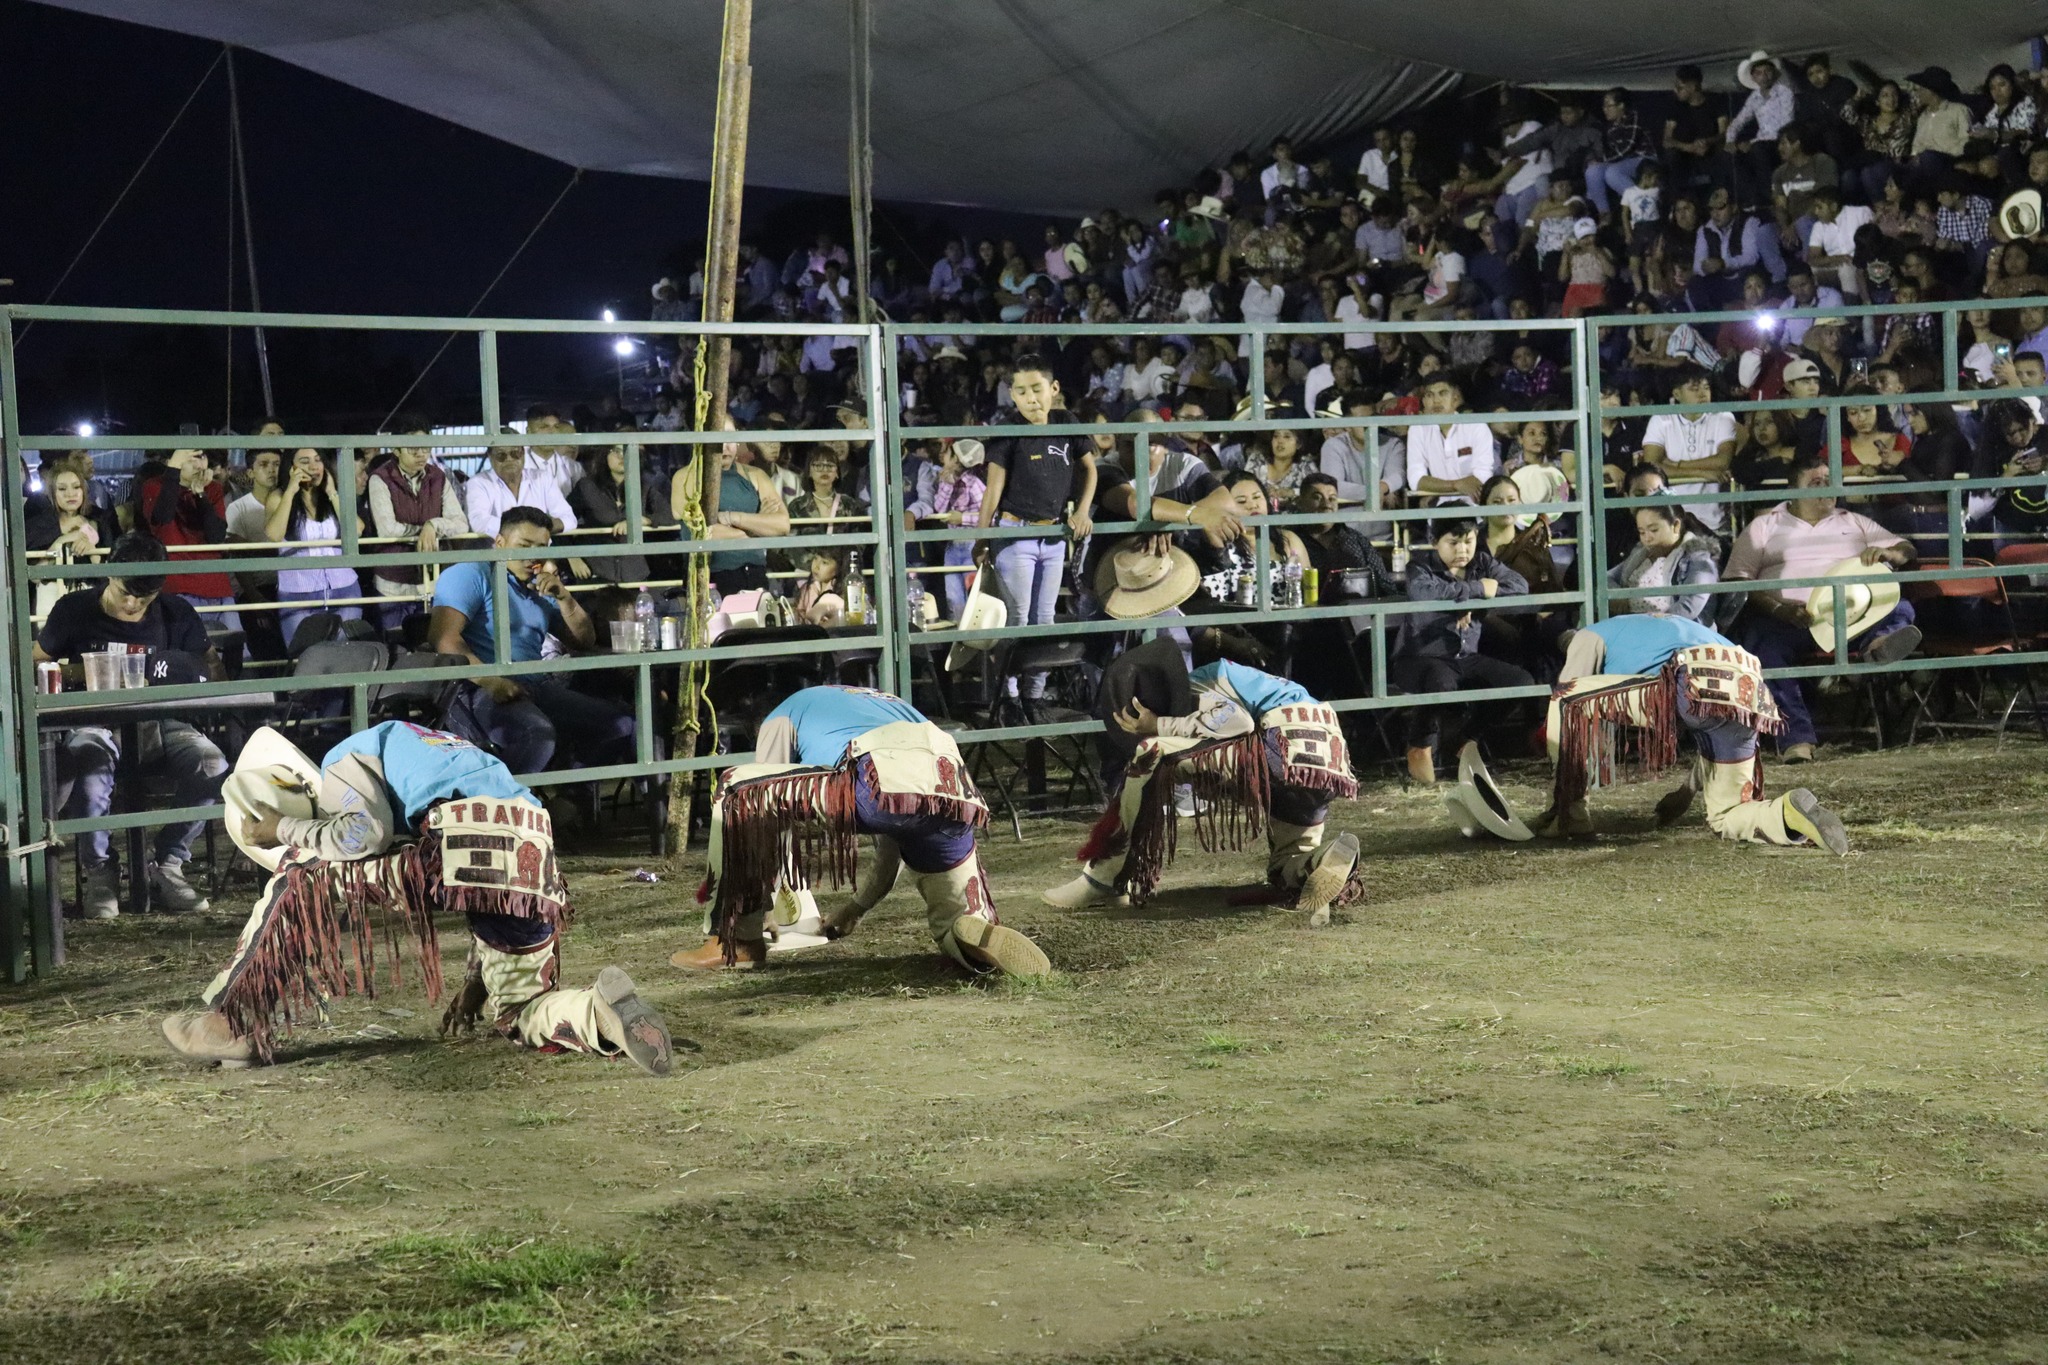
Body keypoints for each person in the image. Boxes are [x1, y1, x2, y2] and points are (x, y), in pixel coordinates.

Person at [157, 721, 674, 1074]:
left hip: (458, 839)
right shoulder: (431, 744)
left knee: (301, 874)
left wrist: (285, 830)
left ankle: (233, 1022)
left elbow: (365, 836)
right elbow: (483, 879)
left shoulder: (344, 758)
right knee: (520, 1010)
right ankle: (596, 1014)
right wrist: (477, 981)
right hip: (533, 848)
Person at [670, 685, 1051, 977]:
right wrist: (855, 909)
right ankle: (974, 943)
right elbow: (893, 836)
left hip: (873, 771)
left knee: (740, 790)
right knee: (957, 916)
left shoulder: (781, 715)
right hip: (952, 790)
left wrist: (766, 905)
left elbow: (769, 816)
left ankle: (735, 942)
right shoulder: (879, 700)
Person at [1042, 635, 1361, 927]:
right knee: (1287, 864)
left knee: (1148, 754)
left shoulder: (1205, 682)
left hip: (1281, 743)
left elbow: (1237, 720)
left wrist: (1159, 725)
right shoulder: (1238, 677)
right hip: (1326, 756)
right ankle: (1323, 859)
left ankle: (1104, 878)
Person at [1534, 614, 1848, 854]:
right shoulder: (1675, 626)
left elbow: (1574, 696)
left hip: (1688, 677)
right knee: (1726, 815)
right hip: (1749, 691)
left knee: (1568, 697)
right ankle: (1787, 813)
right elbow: (1711, 715)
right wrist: (1686, 792)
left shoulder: (1588, 635)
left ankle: (1568, 812)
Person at [33, 535, 228, 918]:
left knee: (211, 765)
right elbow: (38, 662)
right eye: (125, 592)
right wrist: (85, 673)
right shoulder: (74, 609)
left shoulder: (176, 612)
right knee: (89, 773)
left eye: (145, 597)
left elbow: (211, 665)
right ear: (110, 573)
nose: (131, 604)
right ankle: (100, 868)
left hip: (161, 719)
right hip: (94, 720)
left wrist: (193, 679)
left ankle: (168, 862)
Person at [1723, 456, 1922, 761]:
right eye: (1816, 483)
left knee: (1899, 606)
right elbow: (1738, 581)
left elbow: (1906, 548)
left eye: (1830, 481)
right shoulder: (1764, 526)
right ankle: (1796, 740)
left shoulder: (1853, 521)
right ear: (1794, 489)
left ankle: (1880, 644)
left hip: (1853, 615)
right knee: (1762, 646)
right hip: (1792, 618)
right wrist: (1778, 609)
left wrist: (1889, 553)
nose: (1827, 488)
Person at [428, 506, 634, 778]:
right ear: (499, 543)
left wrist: (565, 598)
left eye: (540, 547)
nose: (531, 556)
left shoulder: (538, 586)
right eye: (523, 546)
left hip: (535, 687)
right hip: (477, 688)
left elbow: (584, 640)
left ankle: (567, 796)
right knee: (536, 736)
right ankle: (502, 808)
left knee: (620, 724)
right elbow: (443, 639)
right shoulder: (471, 573)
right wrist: (492, 680)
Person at [973, 355, 1097, 722]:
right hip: (1015, 533)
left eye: (1037, 390)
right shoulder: (1007, 430)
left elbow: (1090, 470)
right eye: (1022, 392)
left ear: (1053, 389)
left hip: (1054, 533)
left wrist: (1082, 510)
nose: (1031, 399)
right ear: (1011, 395)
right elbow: (993, 489)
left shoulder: (1066, 422)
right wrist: (983, 536)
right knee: (1017, 617)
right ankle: (1008, 697)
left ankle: (1035, 696)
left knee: (1044, 617)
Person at [1390, 516, 1533, 784]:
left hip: (1464, 656)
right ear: (1435, 542)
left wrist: (1472, 603)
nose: (1462, 550)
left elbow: (1519, 586)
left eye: (1468, 542)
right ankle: (1420, 745)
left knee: (1521, 682)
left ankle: (1466, 738)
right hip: (1420, 656)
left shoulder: (1482, 562)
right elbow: (1423, 594)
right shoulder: (1419, 566)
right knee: (1441, 682)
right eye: (1453, 543)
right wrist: (1477, 590)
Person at [368, 426, 470, 623]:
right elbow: (387, 529)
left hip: (433, 582)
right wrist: (422, 531)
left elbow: (461, 524)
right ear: (396, 450)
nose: (421, 455)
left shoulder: (438, 477)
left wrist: (433, 526)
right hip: (392, 584)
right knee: (396, 644)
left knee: (430, 645)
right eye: (413, 449)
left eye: (425, 448)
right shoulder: (380, 478)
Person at [133, 446, 239, 632]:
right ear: (172, 461)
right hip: (178, 587)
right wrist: (173, 473)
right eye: (190, 458)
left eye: (201, 457)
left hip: (217, 585)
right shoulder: (154, 485)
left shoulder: (212, 488)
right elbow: (162, 518)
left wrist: (200, 494)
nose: (198, 464)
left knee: (236, 651)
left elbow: (216, 536)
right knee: (189, 653)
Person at [264, 448, 364, 644]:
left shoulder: (331, 496)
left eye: (318, 460)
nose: (313, 466)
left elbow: (357, 530)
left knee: (345, 657)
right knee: (305, 658)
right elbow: (274, 535)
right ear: (290, 467)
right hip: (298, 593)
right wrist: (291, 491)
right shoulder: (279, 497)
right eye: (304, 461)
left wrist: (333, 493)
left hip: (344, 587)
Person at [683, 433, 790, 595]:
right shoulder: (689, 478)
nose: (725, 446)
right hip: (711, 577)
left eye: (730, 438)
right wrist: (758, 527)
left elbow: (782, 525)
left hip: (755, 573)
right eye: (719, 438)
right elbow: (704, 532)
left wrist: (732, 517)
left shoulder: (756, 475)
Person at [1640, 364, 1737, 529]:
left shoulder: (1723, 417)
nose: (1703, 394)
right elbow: (1651, 468)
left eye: (1706, 388)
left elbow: (1722, 462)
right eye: (1694, 388)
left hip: (1713, 523)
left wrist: (1675, 465)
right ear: (1677, 394)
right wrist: (1702, 473)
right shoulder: (1661, 419)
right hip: (1670, 523)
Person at [906, 437, 986, 619]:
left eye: (949, 454)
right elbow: (940, 509)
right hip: (952, 546)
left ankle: (977, 642)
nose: (943, 456)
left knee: (974, 599)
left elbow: (988, 516)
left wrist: (963, 518)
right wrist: (947, 484)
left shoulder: (974, 484)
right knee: (954, 600)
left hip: (971, 545)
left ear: (957, 459)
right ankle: (959, 640)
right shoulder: (948, 480)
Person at [1608, 504, 1723, 623]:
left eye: (1654, 530)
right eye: (1642, 532)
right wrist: (1619, 597)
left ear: (1676, 526)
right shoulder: (1641, 554)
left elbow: (1688, 607)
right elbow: (1608, 577)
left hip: (1677, 631)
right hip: (1632, 624)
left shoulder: (1698, 559)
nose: (1647, 538)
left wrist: (1652, 625)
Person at [1404, 374, 1499, 505]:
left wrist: (1438, 486)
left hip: (1475, 511)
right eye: (1430, 395)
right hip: (1439, 513)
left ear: (1455, 399)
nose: (1436, 401)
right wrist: (1456, 485)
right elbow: (1416, 479)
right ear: (1424, 402)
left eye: (1443, 393)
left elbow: (1483, 476)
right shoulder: (1418, 429)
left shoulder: (1476, 426)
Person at [786, 444, 870, 573]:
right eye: (818, 466)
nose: (824, 470)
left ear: (837, 473)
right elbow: (791, 547)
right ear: (809, 471)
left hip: (842, 573)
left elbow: (859, 543)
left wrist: (837, 566)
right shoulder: (797, 506)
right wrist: (817, 567)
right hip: (808, 576)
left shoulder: (850, 505)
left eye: (830, 466)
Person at [466, 443, 577, 539]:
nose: (509, 459)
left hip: (539, 550)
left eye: (515, 453)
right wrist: (531, 528)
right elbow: (478, 522)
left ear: (523, 453)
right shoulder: (478, 482)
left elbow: (569, 519)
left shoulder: (542, 478)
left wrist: (543, 527)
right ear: (490, 457)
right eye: (501, 455)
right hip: (498, 553)